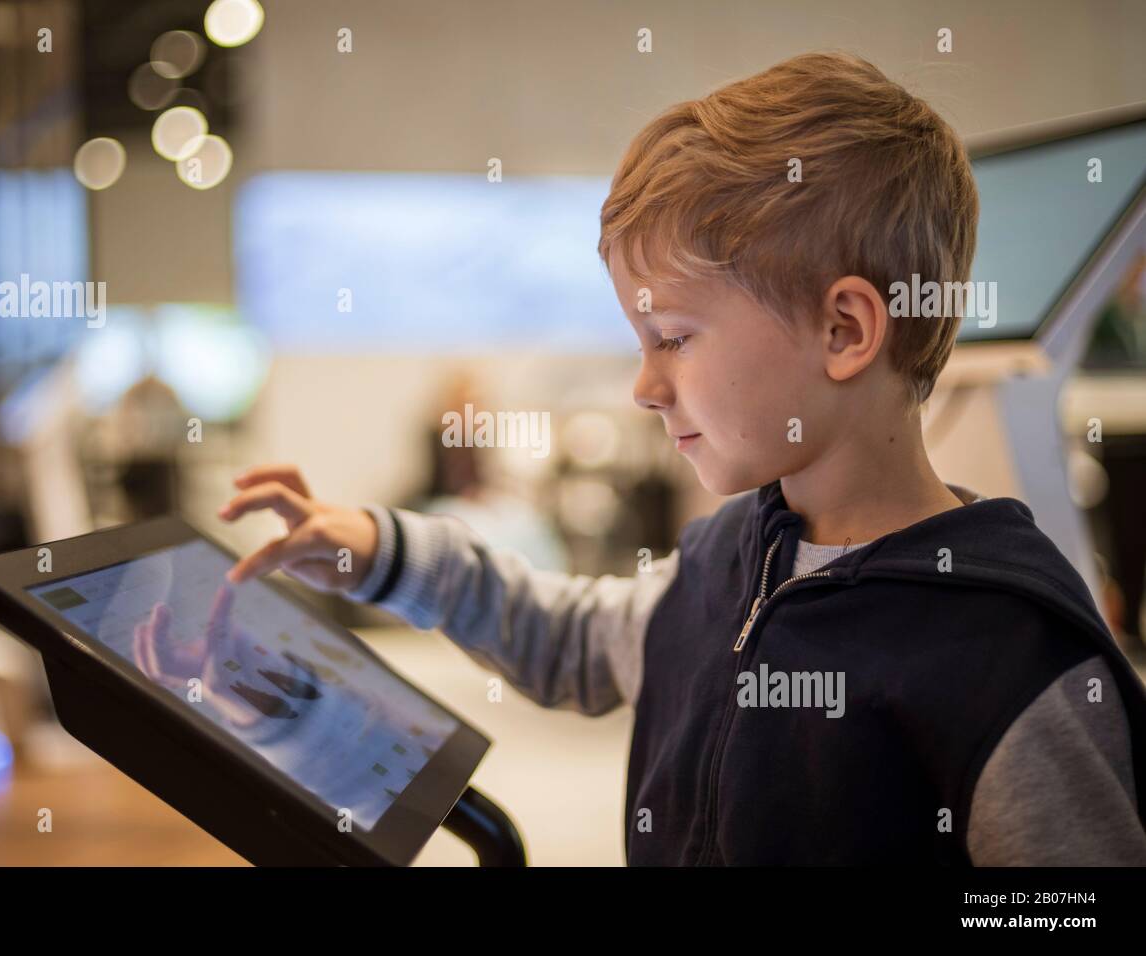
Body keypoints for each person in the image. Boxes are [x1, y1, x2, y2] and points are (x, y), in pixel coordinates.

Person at [215, 53, 1146, 865]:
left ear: (844, 328)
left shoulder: (1013, 655)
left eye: (673, 338)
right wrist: (380, 552)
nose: (644, 386)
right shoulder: (726, 561)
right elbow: (570, 639)